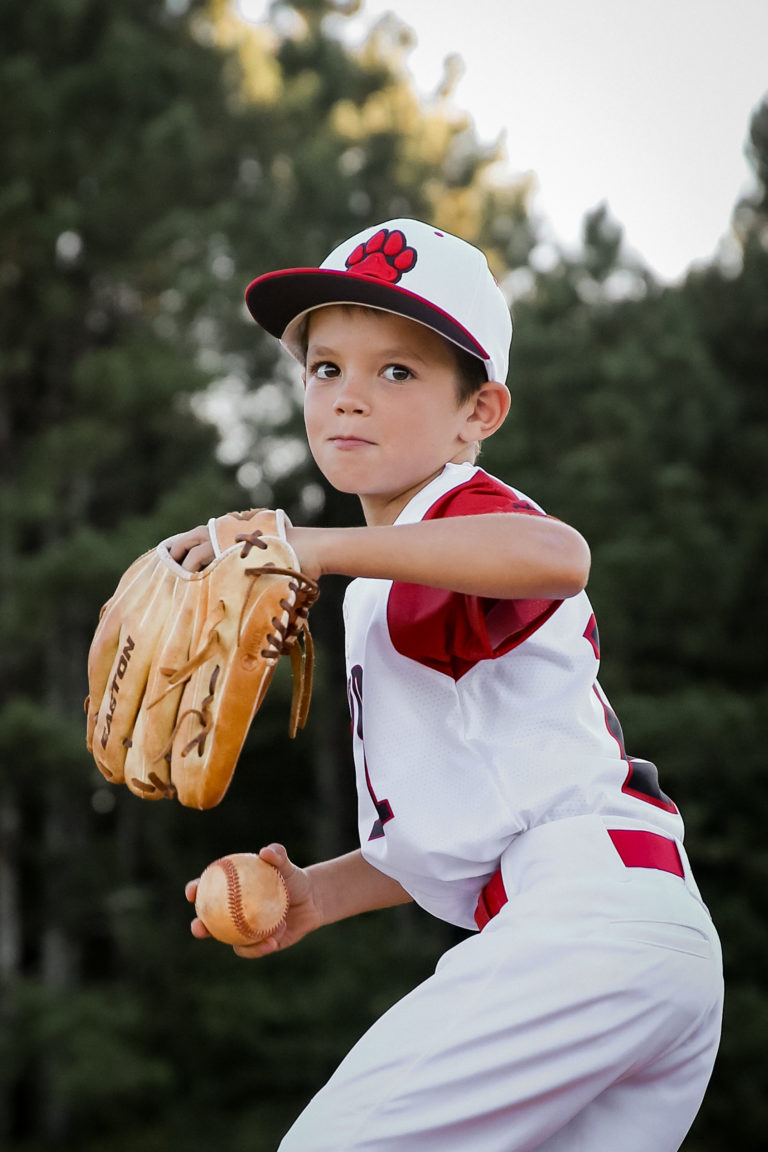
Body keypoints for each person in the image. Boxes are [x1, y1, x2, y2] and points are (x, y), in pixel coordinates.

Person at [178, 219, 723, 1151]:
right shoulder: (394, 564)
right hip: (633, 937)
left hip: (584, 922)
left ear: (479, 414)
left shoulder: (453, 513)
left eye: (398, 372)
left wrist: (313, 545)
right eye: (326, 369)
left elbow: (559, 554)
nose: (350, 397)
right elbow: (465, 822)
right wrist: (320, 894)